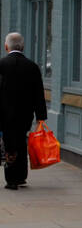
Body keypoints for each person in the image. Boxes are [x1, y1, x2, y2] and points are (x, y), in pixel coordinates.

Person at [0, 31, 48, 190]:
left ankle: (11, 179)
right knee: (21, 141)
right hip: (25, 115)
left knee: (9, 143)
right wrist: (41, 116)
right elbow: (38, 94)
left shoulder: (1, 65)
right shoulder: (32, 66)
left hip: (4, 114)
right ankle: (21, 176)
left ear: (6, 46)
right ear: (23, 47)